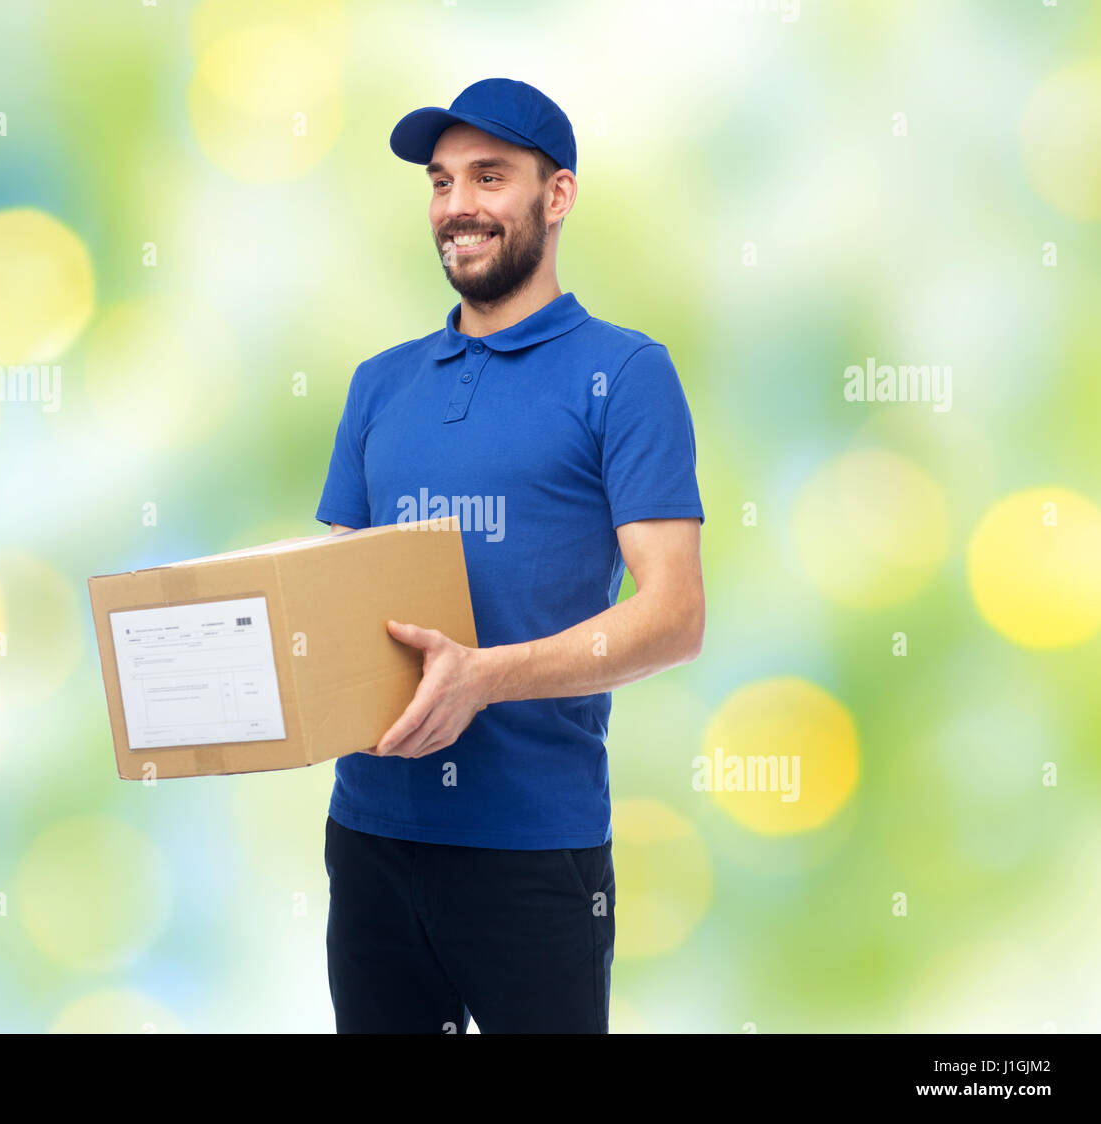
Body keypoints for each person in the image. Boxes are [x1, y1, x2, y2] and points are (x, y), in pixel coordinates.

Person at [315, 77, 706, 1033]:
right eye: (443, 183)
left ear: (557, 195)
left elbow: (675, 617)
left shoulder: (625, 373)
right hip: (369, 835)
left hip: (533, 846)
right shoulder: (380, 384)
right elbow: (327, 604)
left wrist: (483, 678)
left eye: (490, 178)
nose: (459, 207)